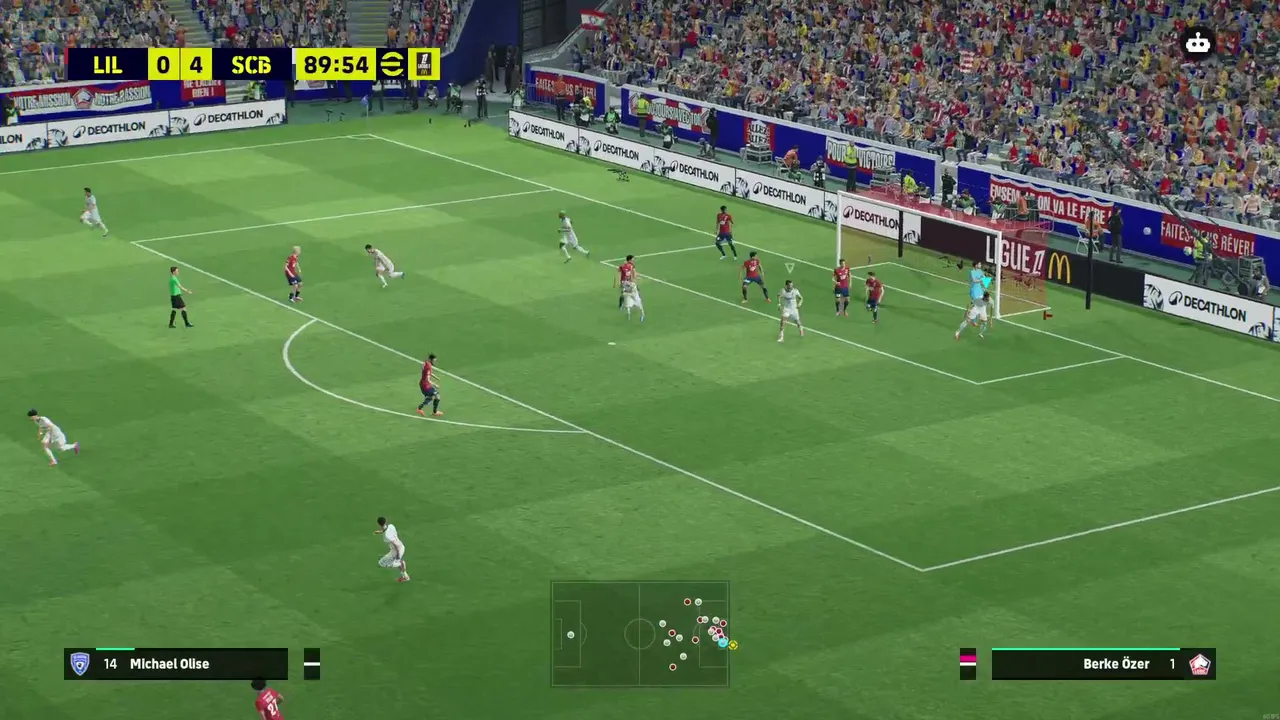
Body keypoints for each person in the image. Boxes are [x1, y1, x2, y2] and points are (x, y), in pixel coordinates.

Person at [375, 516, 410, 582]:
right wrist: (380, 532)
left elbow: (396, 545)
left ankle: (400, 563)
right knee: (394, 562)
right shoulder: (391, 526)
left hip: (396, 551)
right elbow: (387, 530)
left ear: (379, 524)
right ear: (386, 521)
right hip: (401, 546)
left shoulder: (387, 536)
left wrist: (398, 555)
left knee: (382, 563)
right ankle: (405, 577)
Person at [616, 254, 644, 321]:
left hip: (629, 282)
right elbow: (619, 271)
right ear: (629, 260)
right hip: (625, 283)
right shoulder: (624, 266)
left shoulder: (632, 266)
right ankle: (622, 305)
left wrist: (636, 277)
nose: (633, 260)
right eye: (632, 259)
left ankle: (629, 306)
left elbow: (633, 274)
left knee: (630, 293)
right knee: (623, 295)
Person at [415, 354, 443, 418]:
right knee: (437, 396)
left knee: (431, 397)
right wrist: (435, 385)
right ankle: (434, 412)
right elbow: (428, 379)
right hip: (425, 385)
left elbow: (426, 372)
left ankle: (420, 409)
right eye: (433, 361)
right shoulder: (428, 366)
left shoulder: (425, 362)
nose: (434, 362)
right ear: (430, 359)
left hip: (422, 383)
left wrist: (435, 377)